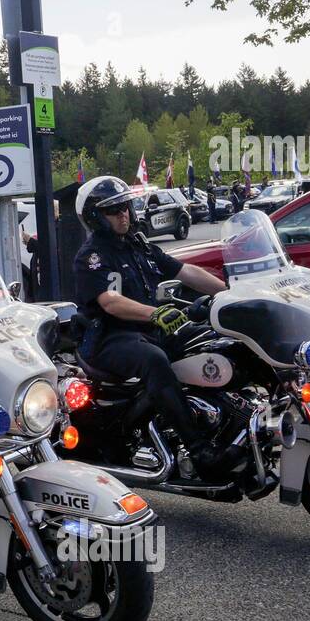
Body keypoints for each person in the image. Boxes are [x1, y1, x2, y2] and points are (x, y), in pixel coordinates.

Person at [72, 176, 243, 477]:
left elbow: (185, 271)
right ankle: (200, 450)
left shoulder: (138, 245)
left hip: (147, 331)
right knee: (154, 360)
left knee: (213, 339)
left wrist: (231, 294)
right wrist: (154, 314)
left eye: (125, 206)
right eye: (114, 210)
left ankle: (234, 417)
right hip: (110, 337)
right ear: (95, 217)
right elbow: (110, 302)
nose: (123, 213)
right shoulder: (92, 257)